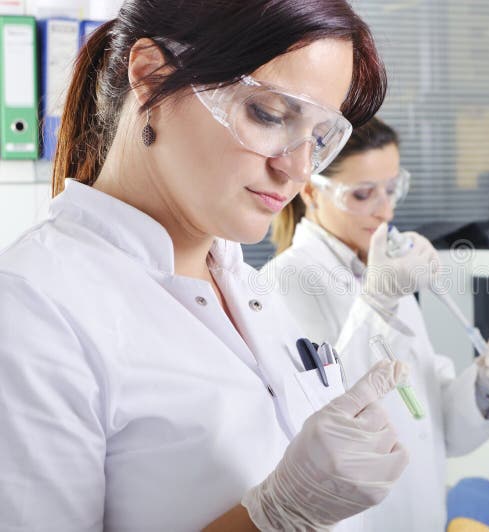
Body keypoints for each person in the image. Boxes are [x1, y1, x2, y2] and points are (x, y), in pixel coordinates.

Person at [0, 1, 412, 531]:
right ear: (151, 76)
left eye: (318, 137)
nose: (297, 169)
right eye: (268, 114)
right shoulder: (33, 310)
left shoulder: (248, 287)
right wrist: (274, 517)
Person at [266, 117, 489, 531]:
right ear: (311, 190)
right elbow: (327, 422)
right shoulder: (285, 283)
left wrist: (485, 386)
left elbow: (432, 424)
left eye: (392, 188)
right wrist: (378, 301)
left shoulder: (386, 276)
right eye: (363, 194)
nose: (387, 210)